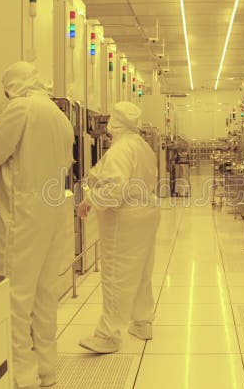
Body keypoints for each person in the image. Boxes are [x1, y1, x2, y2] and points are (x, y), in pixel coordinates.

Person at [0, 62, 74, 389]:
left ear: (13, 85)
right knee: (44, 295)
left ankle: (22, 378)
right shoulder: (60, 116)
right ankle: (46, 372)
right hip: (54, 212)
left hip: (25, 214)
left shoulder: (21, 109)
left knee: (15, 296)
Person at [77, 101, 161, 353]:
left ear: (116, 122)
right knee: (141, 271)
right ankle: (142, 322)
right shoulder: (143, 147)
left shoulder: (120, 150)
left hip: (124, 219)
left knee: (117, 274)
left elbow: (114, 191)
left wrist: (90, 199)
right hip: (146, 215)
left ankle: (108, 335)